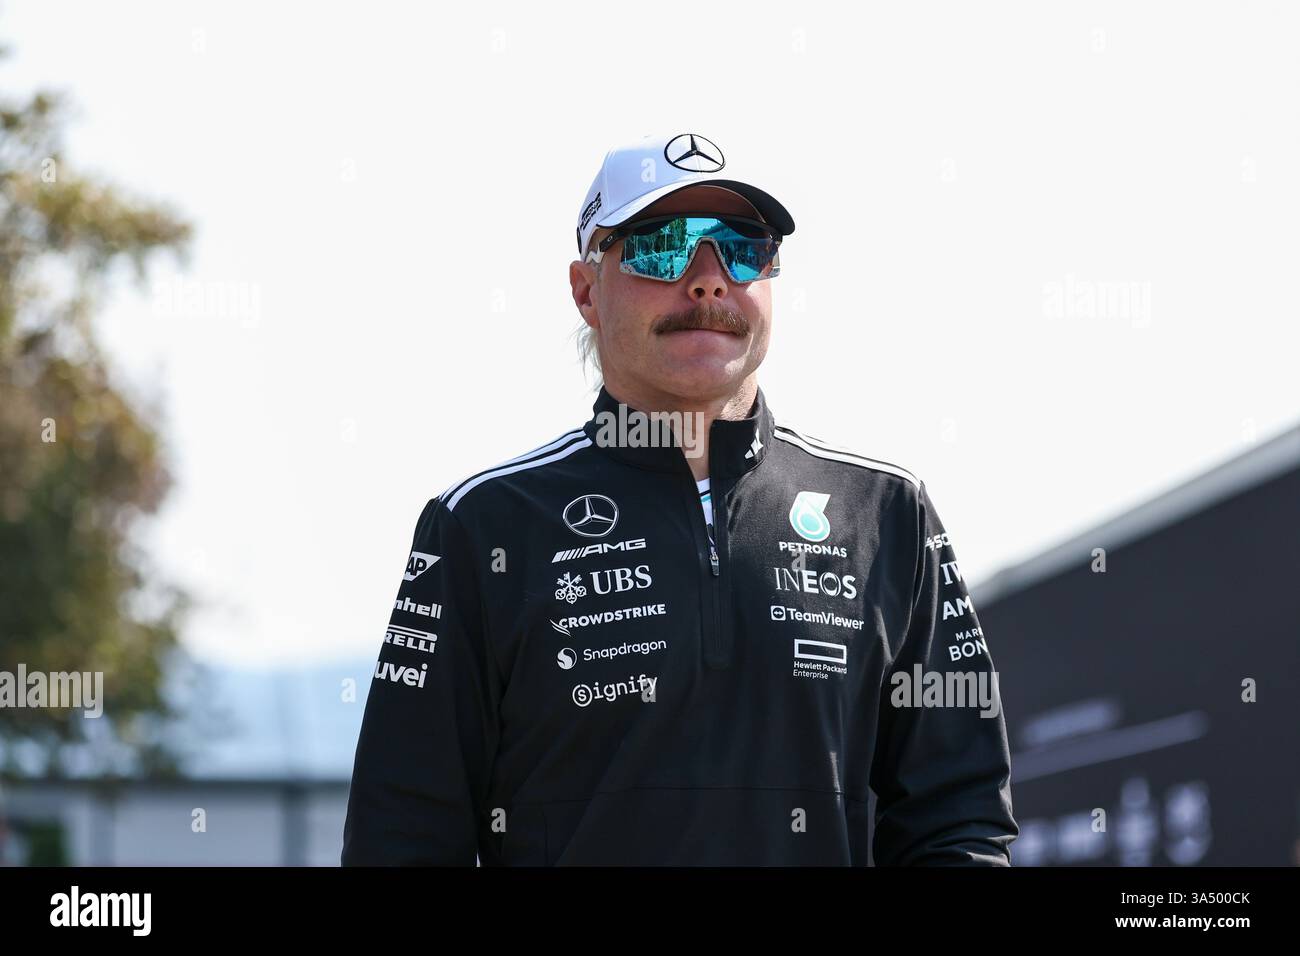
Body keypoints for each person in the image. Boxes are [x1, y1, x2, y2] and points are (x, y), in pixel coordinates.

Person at [341, 131, 1018, 865]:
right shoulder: (480, 524)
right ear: (584, 290)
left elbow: (959, 820)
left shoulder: (887, 512)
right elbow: (401, 836)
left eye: (743, 246)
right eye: (661, 245)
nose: (707, 280)